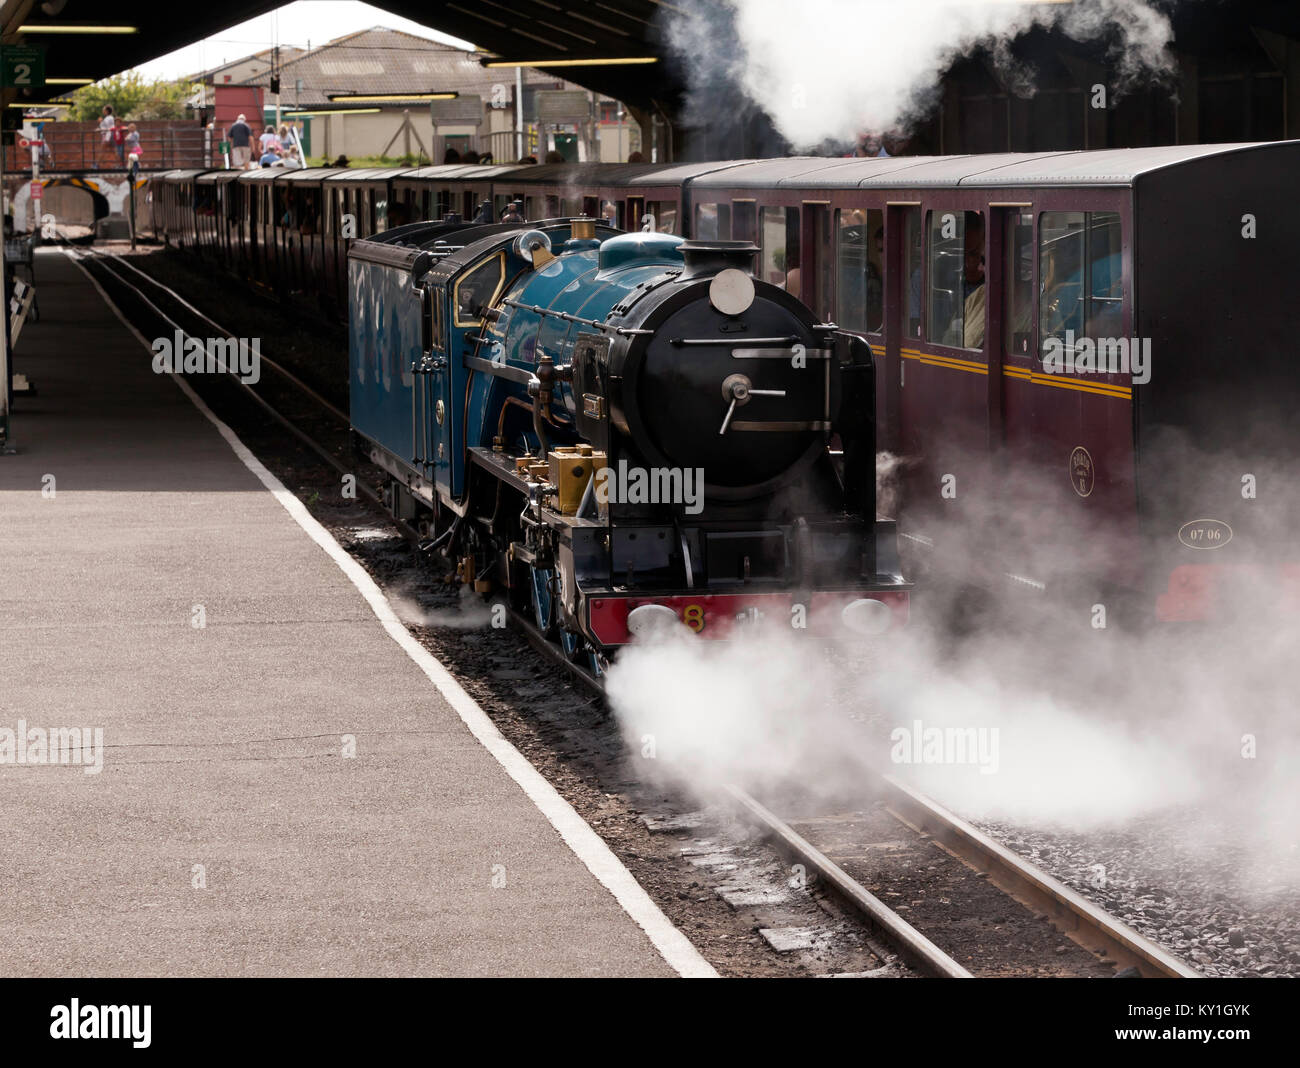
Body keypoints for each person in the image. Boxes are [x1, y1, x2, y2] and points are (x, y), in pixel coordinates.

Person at [962, 214, 986, 350]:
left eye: (973, 253)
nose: (967, 262)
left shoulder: (984, 292)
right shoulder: (932, 279)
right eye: (961, 253)